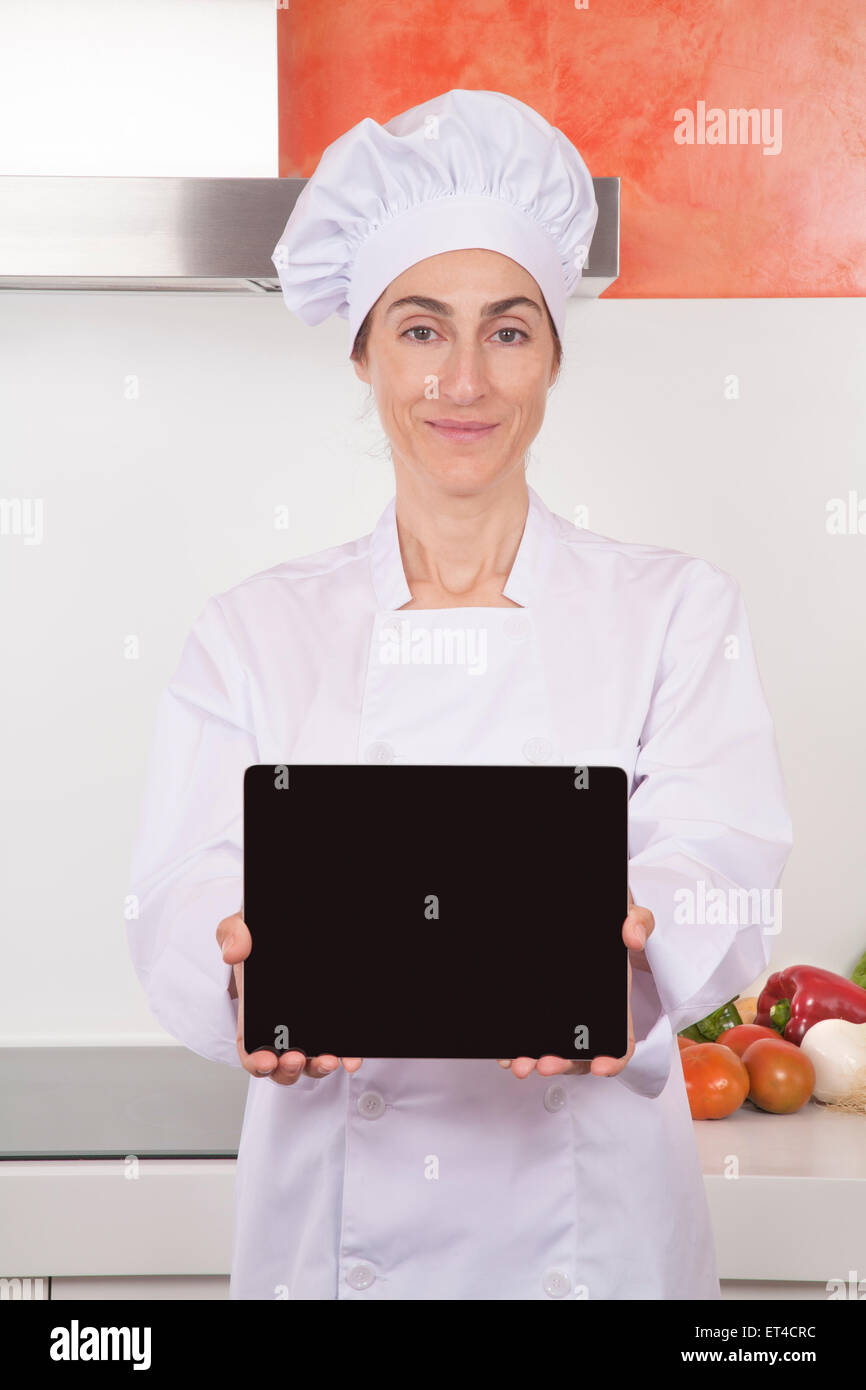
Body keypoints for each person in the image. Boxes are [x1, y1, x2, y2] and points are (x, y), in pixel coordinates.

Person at [126, 89, 793, 1300]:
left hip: (593, 1241)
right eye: (422, 329)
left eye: (507, 329)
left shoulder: (671, 609)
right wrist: (241, 962)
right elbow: (181, 880)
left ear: (551, 353)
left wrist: (630, 939)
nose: (463, 380)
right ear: (364, 349)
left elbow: (727, 850)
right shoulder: (253, 631)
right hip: (335, 1233)